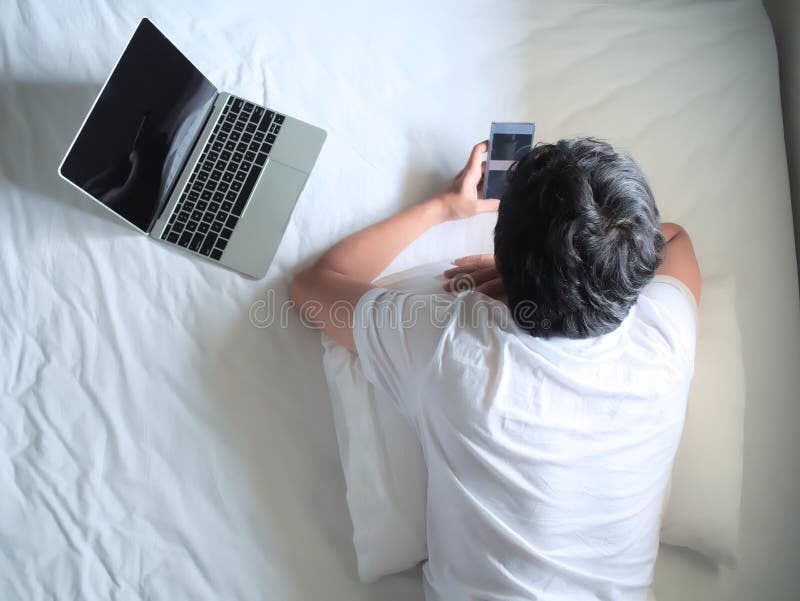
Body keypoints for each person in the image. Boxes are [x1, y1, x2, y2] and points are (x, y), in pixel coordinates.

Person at [290, 137, 700, 600]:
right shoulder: (664, 340)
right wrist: (561, 273)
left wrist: (444, 208)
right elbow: (675, 239)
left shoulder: (452, 346)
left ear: (502, 252)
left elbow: (313, 285)